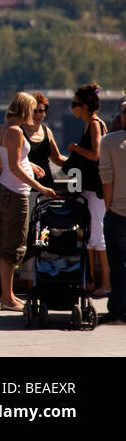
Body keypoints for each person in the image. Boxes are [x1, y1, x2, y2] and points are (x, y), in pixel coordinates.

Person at [0, 93, 56, 312]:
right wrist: (39, 187)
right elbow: (14, 167)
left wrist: (29, 163)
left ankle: (8, 295)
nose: (34, 115)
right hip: (15, 194)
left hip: (5, 190)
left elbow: (2, 160)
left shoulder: (4, 128)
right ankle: (7, 298)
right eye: (33, 110)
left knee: (9, 245)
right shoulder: (15, 131)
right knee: (13, 247)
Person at [67, 83, 111, 297]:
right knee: (91, 236)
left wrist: (75, 148)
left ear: (84, 106)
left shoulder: (94, 124)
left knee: (98, 236)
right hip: (89, 189)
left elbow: (96, 154)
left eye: (75, 104)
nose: (72, 108)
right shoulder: (90, 124)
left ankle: (107, 282)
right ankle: (92, 280)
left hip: (95, 190)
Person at [99, 109, 126, 323]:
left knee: (117, 264)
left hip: (117, 210)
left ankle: (117, 309)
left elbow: (106, 178)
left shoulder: (109, 141)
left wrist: (108, 207)